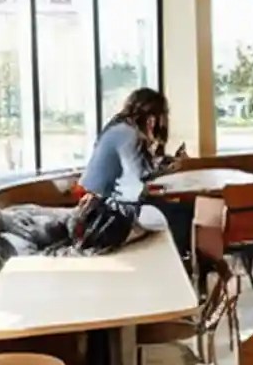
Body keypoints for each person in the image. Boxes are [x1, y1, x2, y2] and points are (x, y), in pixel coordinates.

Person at [78, 87, 192, 251]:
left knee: (178, 210)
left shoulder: (118, 128)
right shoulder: (129, 134)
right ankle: (179, 264)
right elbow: (137, 182)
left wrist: (163, 169)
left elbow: (134, 173)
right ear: (151, 117)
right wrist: (165, 174)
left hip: (107, 203)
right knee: (184, 215)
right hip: (112, 210)